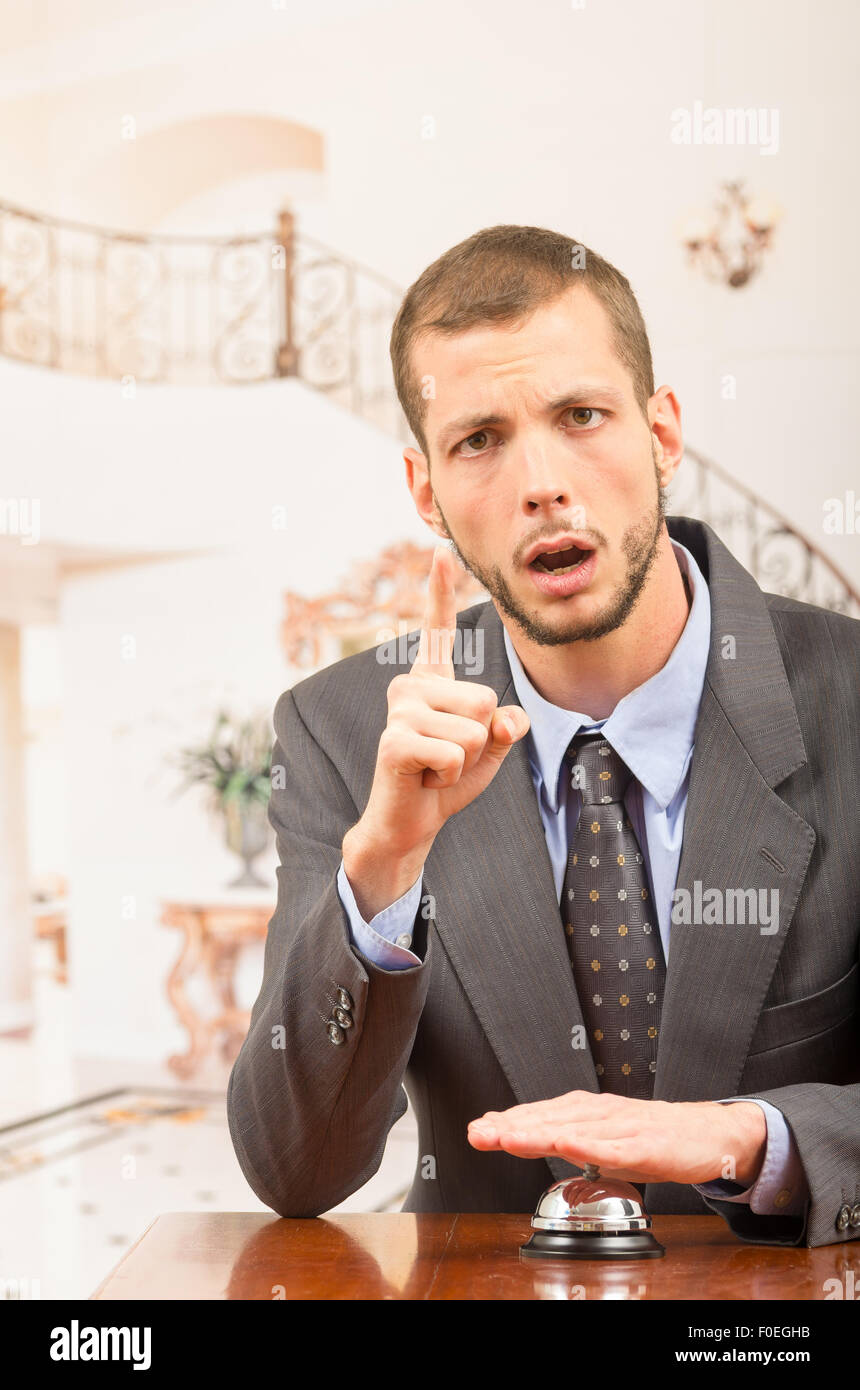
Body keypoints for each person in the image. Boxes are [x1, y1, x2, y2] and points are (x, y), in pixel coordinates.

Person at [228, 225, 859, 1247]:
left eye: (580, 416)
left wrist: (751, 1138)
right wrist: (383, 867)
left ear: (659, 434)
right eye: (478, 439)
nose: (540, 483)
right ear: (425, 491)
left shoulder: (848, 694)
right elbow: (295, 1172)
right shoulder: (342, 730)